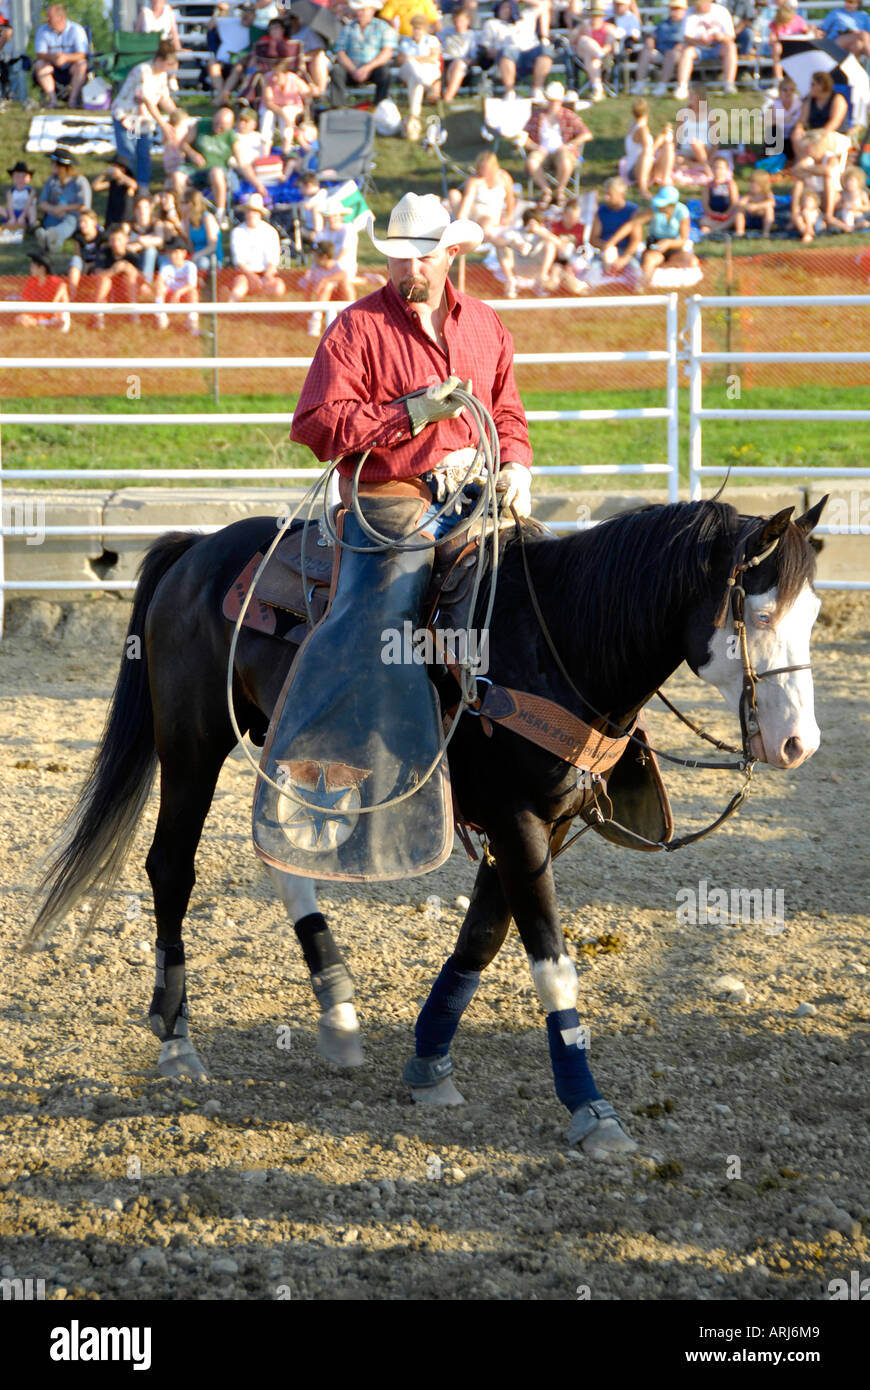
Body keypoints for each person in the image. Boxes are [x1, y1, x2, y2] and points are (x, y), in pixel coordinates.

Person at [291, 191, 532, 519]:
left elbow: (505, 410)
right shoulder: (355, 327)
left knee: (537, 560)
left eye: (424, 257)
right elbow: (316, 422)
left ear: (452, 253)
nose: (411, 269)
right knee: (401, 564)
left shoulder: (485, 322)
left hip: (477, 486)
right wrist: (410, 415)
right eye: (400, 257)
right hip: (389, 495)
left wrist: (515, 465)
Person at [111, 37, 179, 191]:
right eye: (167, 64)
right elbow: (147, 101)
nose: (168, 68)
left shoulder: (161, 75)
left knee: (144, 154)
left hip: (143, 119)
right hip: (128, 116)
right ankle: (122, 186)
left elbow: (164, 98)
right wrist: (163, 124)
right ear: (159, 60)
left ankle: (143, 187)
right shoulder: (143, 70)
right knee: (127, 151)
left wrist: (177, 113)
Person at [522, 80, 592, 208]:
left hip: (562, 152)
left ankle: (560, 191)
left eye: (556, 100)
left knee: (565, 161)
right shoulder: (537, 116)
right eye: (551, 100)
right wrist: (536, 147)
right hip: (542, 151)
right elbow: (523, 136)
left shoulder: (568, 115)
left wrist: (570, 145)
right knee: (531, 162)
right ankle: (546, 191)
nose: (553, 103)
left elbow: (586, 134)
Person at [480, 0, 554, 101]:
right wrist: (495, 51)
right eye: (504, 8)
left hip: (529, 53)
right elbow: (486, 48)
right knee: (507, 50)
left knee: (545, 51)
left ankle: (537, 90)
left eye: (510, 7)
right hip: (506, 56)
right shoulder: (491, 24)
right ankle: (510, 92)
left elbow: (545, 4)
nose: (507, 10)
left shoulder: (526, 16)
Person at [178, 105, 238, 226]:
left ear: (230, 125)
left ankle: (220, 212)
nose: (218, 127)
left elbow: (241, 160)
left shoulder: (231, 137)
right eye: (216, 123)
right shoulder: (201, 125)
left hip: (216, 171)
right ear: (214, 117)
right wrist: (193, 154)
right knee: (177, 177)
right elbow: (183, 144)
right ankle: (181, 212)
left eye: (222, 126)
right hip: (194, 169)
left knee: (216, 173)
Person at [331, 1, 398, 106]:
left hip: (373, 68)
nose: (360, 13)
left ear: (372, 10)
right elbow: (340, 52)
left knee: (385, 72)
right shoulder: (348, 28)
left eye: (363, 10)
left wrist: (367, 68)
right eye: (358, 10)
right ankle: (338, 107)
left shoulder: (382, 27)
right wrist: (353, 69)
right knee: (336, 71)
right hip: (352, 68)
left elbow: (387, 52)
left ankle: (379, 105)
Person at [92, 221, 156, 325]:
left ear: (126, 240)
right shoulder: (104, 252)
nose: (116, 243)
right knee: (104, 280)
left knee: (131, 278)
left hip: (128, 287)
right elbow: (97, 273)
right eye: (113, 240)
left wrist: (130, 269)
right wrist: (113, 270)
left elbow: (141, 278)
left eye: (119, 240)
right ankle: (99, 316)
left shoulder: (132, 255)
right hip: (108, 286)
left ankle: (134, 314)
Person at [674, 0, 738, 100]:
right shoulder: (690, 12)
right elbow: (687, 37)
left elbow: (730, 36)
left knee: (731, 47)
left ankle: (729, 84)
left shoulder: (722, 11)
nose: (696, 7)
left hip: (718, 46)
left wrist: (721, 37)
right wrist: (700, 41)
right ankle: (682, 86)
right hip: (698, 47)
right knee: (687, 51)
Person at [228, 192, 285, 301]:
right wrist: (251, 277)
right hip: (245, 274)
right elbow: (239, 262)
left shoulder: (270, 231)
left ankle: (261, 300)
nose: (251, 214)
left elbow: (273, 260)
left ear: (260, 213)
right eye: (249, 211)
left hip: (266, 274)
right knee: (239, 286)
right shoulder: (237, 232)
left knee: (279, 288)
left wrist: (267, 276)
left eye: (254, 211)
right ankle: (229, 309)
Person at [638, 184, 699, 284]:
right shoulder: (653, 210)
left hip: (675, 249)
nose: (661, 207)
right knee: (649, 261)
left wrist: (669, 243)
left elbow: (683, 240)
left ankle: (663, 266)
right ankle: (642, 286)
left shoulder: (682, 212)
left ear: (672, 204)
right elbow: (636, 223)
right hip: (656, 247)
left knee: (692, 261)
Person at [35, 148, 92, 254]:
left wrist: (64, 209)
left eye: (52, 163)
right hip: (54, 215)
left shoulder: (79, 181)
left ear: (60, 166)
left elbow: (84, 205)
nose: (50, 166)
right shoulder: (51, 181)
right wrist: (54, 209)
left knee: (70, 221)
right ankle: (52, 242)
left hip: (72, 216)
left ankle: (49, 236)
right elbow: (42, 203)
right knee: (50, 221)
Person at [33, 4, 89, 109]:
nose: (47, 19)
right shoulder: (42, 31)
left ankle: (72, 101)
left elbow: (82, 54)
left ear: (60, 18)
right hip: (52, 66)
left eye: (50, 17)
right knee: (39, 64)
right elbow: (40, 54)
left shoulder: (76, 30)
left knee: (82, 64)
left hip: (71, 67)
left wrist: (66, 58)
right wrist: (53, 58)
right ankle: (53, 100)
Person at [397, 15, 442, 142]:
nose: (417, 31)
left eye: (419, 28)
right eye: (415, 28)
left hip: (428, 70)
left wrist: (413, 58)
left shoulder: (431, 40)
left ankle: (414, 116)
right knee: (412, 66)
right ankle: (427, 85)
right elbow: (400, 60)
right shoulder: (405, 41)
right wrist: (415, 60)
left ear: (425, 29)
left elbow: (434, 58)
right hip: (411, 71)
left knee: (415, 80)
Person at [300, 239, 355, 336]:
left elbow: (343, 274)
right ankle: (316, 318)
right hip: (322, 297)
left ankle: (352, 313)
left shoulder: (336, 265)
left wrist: (325, 280)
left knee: (345, 283)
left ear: (324, 257)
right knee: (327, 287)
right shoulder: (315, 268)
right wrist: (307, 306)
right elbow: (309, 287)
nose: (313, 258)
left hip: (339, 296)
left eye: (315, 256)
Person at [632, 0, 687, 95]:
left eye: (676, 9)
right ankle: (639, 83)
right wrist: (651, 39)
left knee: (670, 54)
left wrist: (681, 45)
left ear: (684, 10)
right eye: (672, 9)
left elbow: (688, 40)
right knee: (646, 51)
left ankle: (662, 85)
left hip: (679, 54)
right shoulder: (664, 23)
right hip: (661, 52)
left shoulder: (686, 24)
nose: (673, 12)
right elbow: (654, 35)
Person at [589, 175, 643, 273]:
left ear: (621, 194)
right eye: (605, 193)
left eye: (610, 194)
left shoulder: (632, 210)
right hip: (605, 250)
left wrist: (625, 257)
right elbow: (593, 239)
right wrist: (608, 247)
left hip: (626, 250)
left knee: (635, 270)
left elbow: (636, 239)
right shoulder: (601, 211)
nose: (606, 197)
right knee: (593, 269)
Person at [623, 99, 674, 198]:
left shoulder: (633, 125)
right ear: (647, 111)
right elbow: (650, 151)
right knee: (647, 152)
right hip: (636, 170)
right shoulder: (642, 130)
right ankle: (643, 188)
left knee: (669, 145)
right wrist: (661, 137)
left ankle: (664, 180)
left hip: (644, 166)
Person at [570, 3, 619, 103]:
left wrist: (601, 53)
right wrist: (580, 30)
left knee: (592, 58)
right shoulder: (584, 26)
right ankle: (598, 54)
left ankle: (597, 89)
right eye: (593, 15)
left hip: (599, 56)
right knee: (584, 40)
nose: (594, 18)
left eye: (597, 15)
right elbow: (571, 41)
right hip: (584, 55)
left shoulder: (609, 28)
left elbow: (608, 46)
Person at [261, 56, 310, 153]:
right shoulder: (267, 78)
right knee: (268, 115)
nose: (274, 78)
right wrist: (283, 114)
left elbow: (307, 92)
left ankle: (286, 148)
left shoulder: (294, 79)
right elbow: (269, 103)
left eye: (277, 75)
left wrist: (306, 91)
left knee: (288, 111)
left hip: (291, 107)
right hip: (273, 107)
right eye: (273, 74)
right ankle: (264, 151)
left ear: (285, 74)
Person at [792, 71, 850, 151]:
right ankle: (802, 161)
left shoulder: (837, 99)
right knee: (796, 136)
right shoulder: (810, 100)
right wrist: (798, 128)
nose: (810, 87)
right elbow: (802, 120)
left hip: (833, 133)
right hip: (814, 133)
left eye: (813, 84)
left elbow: (834, 122)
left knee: (819, 142)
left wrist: (820, 135)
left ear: (821, 85)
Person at [15, 250, 71, 331]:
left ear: (42, 268)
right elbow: (26, 299)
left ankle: (60, 322)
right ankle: (44, 323)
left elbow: (63, 286)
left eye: (33, 266)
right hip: (37, 315)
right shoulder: (32, 281)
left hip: (53, 315)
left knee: (58, 318)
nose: (31, 269)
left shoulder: (52, 279)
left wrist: (54, 302)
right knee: (20, 319)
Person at [155, 236, 200, 333]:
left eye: (176, 252)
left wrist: (178, 293)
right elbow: (160, 280)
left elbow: (192, 285)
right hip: (169, 293)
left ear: (184, 253)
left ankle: (192, 320)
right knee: (160, 289)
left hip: (184, 294)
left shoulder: (190, 266)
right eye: (171, 252)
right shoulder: (166, 265)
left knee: (193, 292)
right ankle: (162, 318)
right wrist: (160, 285)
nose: (173, 256)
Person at [441, 6, 479, 103]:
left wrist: (466, 61)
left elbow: (474, 57)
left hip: (461, 63)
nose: (458, 24)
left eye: (461, 21)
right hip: (444, 61)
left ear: (468, 21)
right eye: (456, 21)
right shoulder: (446, 32)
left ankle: (447, 99)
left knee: (458, 65)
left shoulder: (471, 35)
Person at [180, 187, 223, 270]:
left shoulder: (207, 218)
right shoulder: (189, 220)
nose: (180, 205)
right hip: (195, 256)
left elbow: (213, 246)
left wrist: (197, 255)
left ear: (191, 204)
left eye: (183, 202)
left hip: (211, 259)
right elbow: (190, 246)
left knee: (202, 262)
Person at [767, 3, 809, 84]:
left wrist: (808, 30)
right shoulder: (776, 24)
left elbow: (807, 33)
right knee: (776, 48)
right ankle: (778, 79)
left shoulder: (798, 20)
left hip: (796, 47)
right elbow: (771, 39)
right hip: (782, 50)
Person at [91, 155, 138, 227]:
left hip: (125, 221)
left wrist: (120, 174)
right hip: (111, 219)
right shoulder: (112, 183)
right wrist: (104, 174)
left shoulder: (128, 184)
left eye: (114, 166)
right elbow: (95, 186)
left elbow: (134, 185)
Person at [699, 152, 740, 232]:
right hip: (712, 215)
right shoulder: (708, 186)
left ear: (727, 170)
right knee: (703, 221)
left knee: (736, 217)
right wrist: (712, 213)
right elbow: (705, 204)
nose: (717, 170)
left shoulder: (730, 184)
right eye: (715, 167)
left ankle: (714, 229)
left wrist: (726, 214)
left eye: (720, 168)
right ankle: (720, 227)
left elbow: (734, 202)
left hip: (728, 214)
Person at [67, 206, 103, 292]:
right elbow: (77, 255)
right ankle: (73, 294)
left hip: (98, 265)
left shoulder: (102, 235)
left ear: (94, 221)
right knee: (75, 260)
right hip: (84, 265)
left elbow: (103, 256)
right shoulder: (78, 236)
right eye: (80, 222)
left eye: (85, 221)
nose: (82, 225)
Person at [734, 167, 775, 235]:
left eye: (754, 183)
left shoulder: (766, 194)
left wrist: (757, 206)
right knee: (739, 210)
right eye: (750, 183)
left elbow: (771, 202)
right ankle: (739, 231)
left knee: (769, 209)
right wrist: (747, 206)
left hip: (762, 220)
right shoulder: (750, 195)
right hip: (750, 219)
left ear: (763, 185)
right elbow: (740, 203)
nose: (751, 185)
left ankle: (766, 232)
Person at [1, 161, 38, 232]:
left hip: (25, 213)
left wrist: (22, 216)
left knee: (32, 209)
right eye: (17, 176)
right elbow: (10, 205)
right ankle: (12, 221)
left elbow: (28, 204)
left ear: (28, 178)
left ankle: (32, 225)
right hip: (13, 212)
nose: (20, 179)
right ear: (13, 178)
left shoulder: (30, 191)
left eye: (23, 176)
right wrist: (12, 217)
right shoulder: (11, 192)